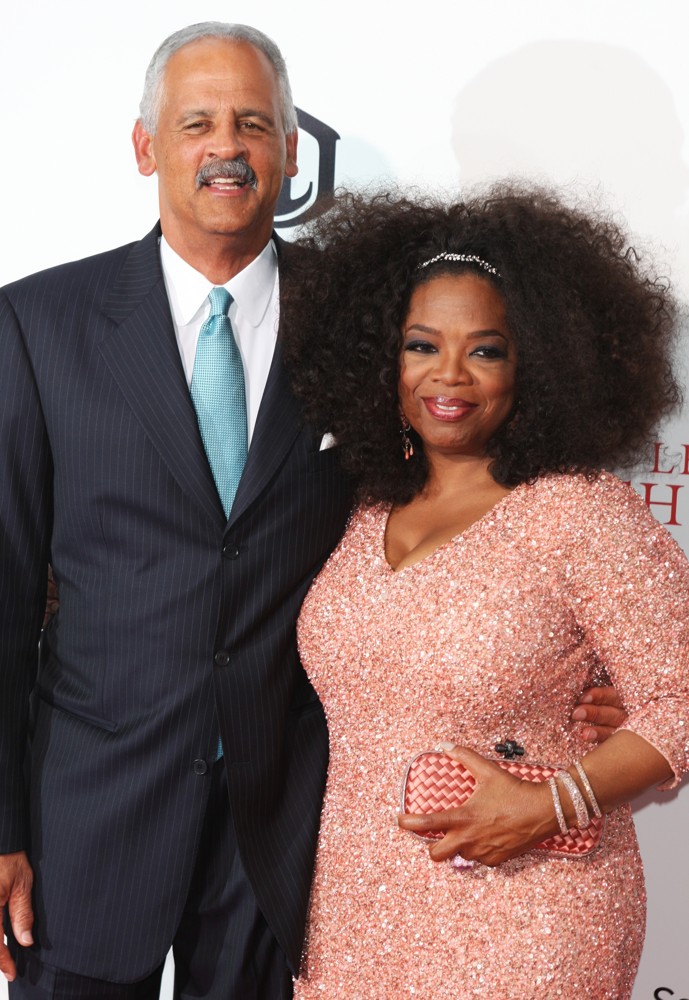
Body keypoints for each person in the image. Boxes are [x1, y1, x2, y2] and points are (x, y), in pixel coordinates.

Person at [0, 24, 626, 999]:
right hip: (87, 826)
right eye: (197, 122)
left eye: (253, 123)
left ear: (291, 152)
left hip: (286, 834)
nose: (226, 146)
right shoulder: (37, 325)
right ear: (144, 147)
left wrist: (590, 672)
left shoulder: (368, 327)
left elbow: (483, 503)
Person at [283, 186, 689, 998]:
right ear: (382, 361)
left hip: (532, 911)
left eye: (487, 349)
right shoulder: (358, 511)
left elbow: (679, 696)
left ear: (536, 362)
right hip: (354, 914)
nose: (450, 376)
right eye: (421, 345)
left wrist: (552, 804)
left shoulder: (579, 511)